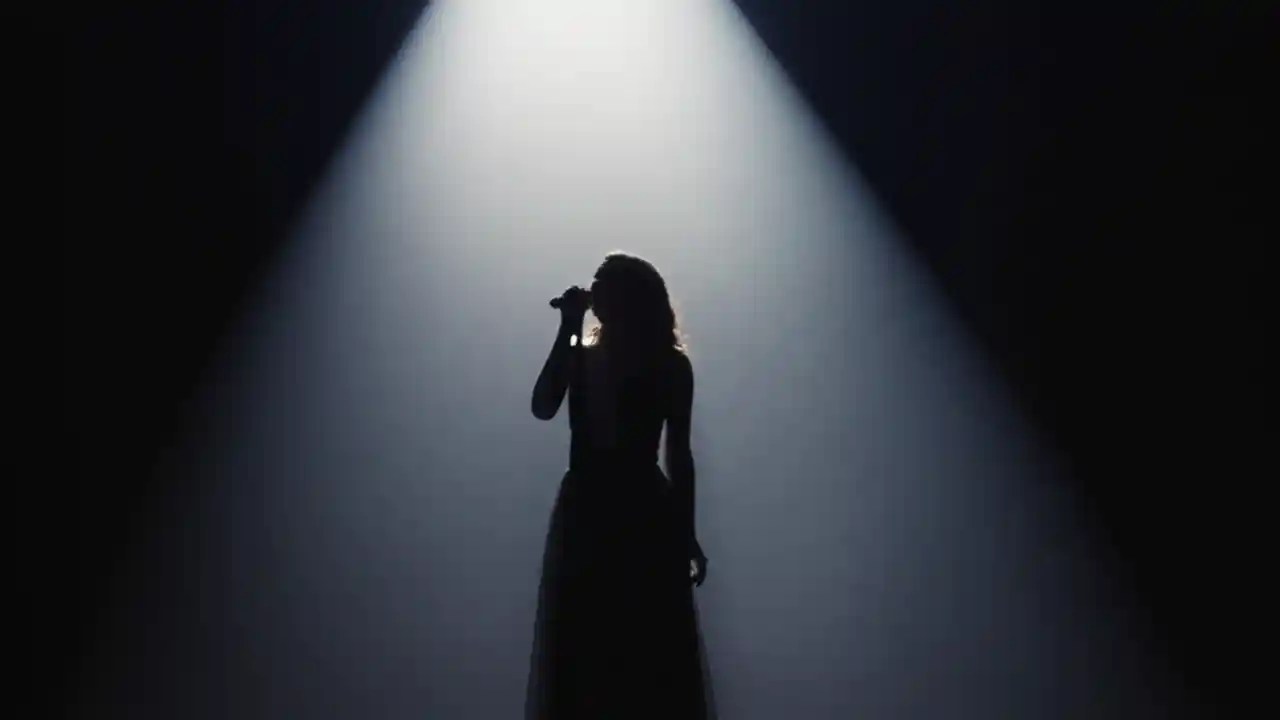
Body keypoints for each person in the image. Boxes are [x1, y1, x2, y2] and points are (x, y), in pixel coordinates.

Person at [525, 251, 711, 719]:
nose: (594, 291)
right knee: (585, 649)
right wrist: (568, 324)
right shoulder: (583, 357)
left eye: (603, 283)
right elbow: (543, 404)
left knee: (640, 651)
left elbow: (679, 454)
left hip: (638, 514)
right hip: (590, 513)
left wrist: (685, 532)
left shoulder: (671, 367)